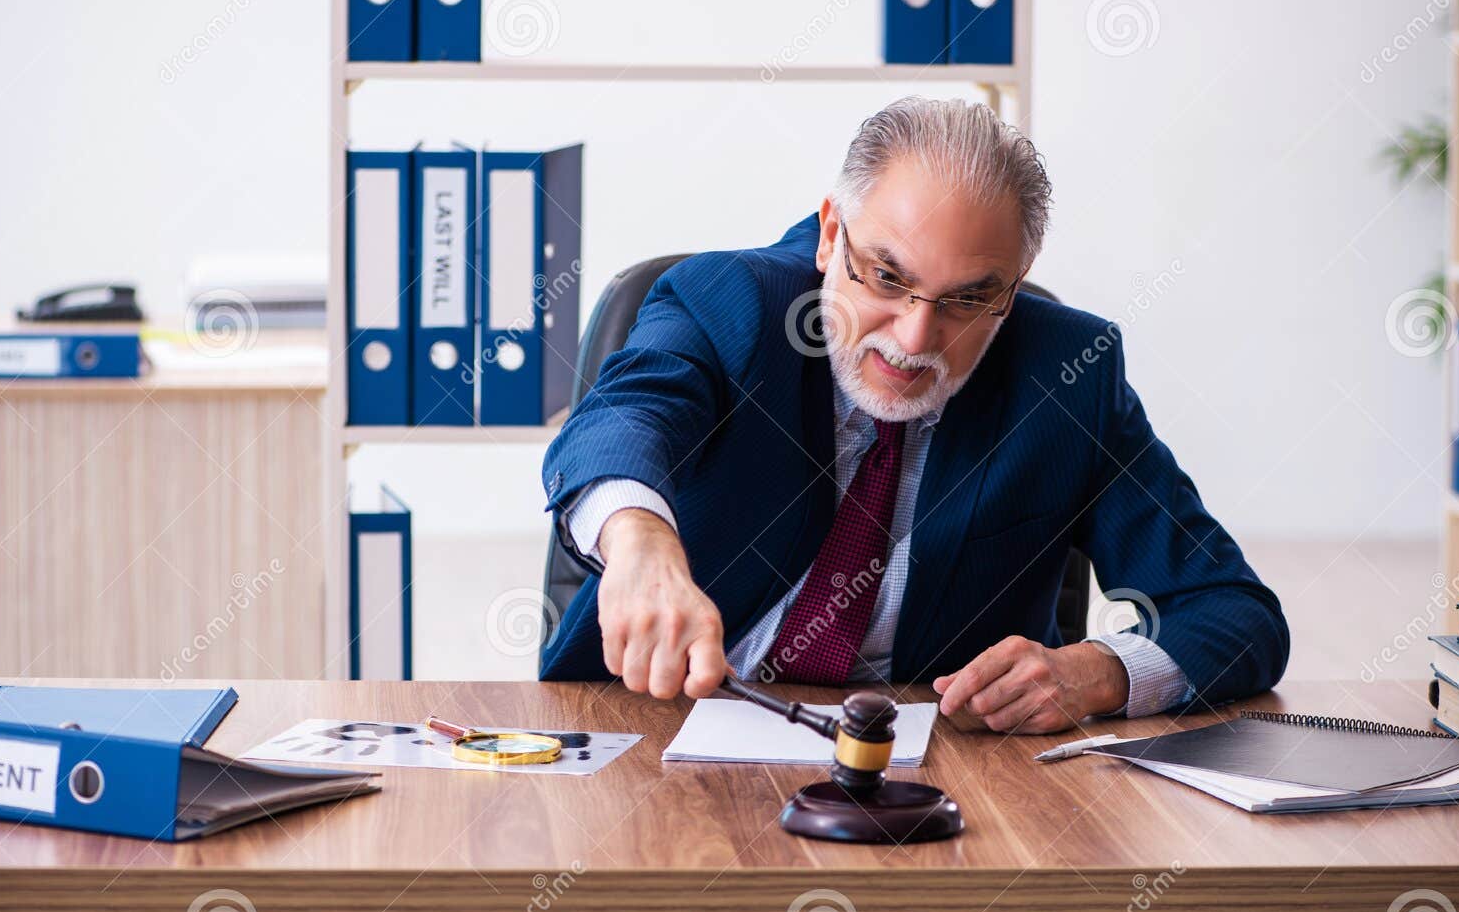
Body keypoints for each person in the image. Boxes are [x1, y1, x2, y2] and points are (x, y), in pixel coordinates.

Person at [538, 96, 1288, 734]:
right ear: (832, 233)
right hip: (657, 726)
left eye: (968, 299)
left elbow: (1233, 611)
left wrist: (1096, 673)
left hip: (938, 779)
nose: (915, 338)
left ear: (1014, 285)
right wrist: (639, 545)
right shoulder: (726, 301)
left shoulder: (1067, 374)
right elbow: (616, 422)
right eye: (888, 277)